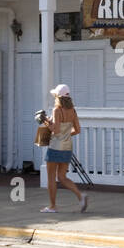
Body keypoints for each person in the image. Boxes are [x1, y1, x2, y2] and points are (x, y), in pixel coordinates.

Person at [39, 83, 87, 214]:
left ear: (57, 96)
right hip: (67, 147)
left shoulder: (57, 110)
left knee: (51, 178)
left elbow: (55, 131)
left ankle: (53, 206)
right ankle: (80, 196)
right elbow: (77, 130)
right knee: (62, 177)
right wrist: (66, 134)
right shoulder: (73, 110)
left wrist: (45, 121)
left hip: (55, 147)